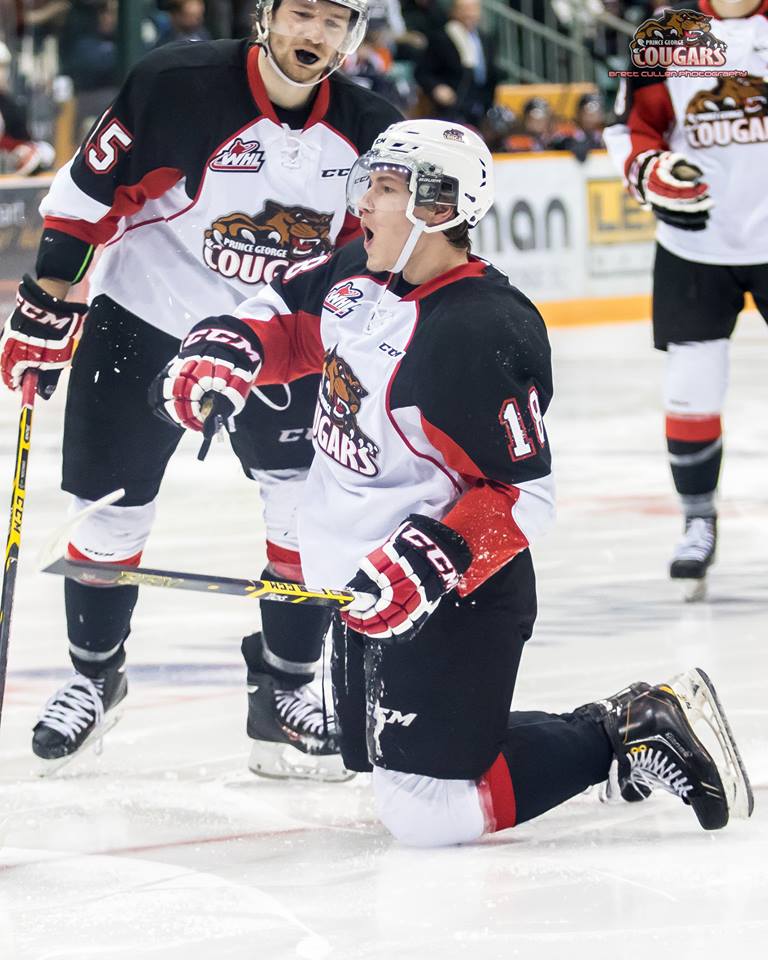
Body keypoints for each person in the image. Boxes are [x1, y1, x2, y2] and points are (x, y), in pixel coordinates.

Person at [151, 118, 753, 845]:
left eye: (383, 188)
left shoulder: (477, 332)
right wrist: (232, 351)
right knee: (385, 764)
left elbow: (523, 496)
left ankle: (628, 730)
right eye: (367, 183)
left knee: (428, 814)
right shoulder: (361, 275)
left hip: (455, 594)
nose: (362, 205)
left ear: (437, 206)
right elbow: (291, 320)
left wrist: (432, 560)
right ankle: (595, 741)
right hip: (365, 582)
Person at [0, 0, 401, 778]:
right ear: (266, 15)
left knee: (298, 504)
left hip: (273, 333)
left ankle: (282, 693)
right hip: (147, 313)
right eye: (300, 13)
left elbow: (368, 252)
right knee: (109, 511)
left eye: (333, 21)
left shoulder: (371, 127)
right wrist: (50, 298)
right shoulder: (174, 84)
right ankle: (93, 676)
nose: (313, 35)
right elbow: (87, 198)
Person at [604, 0, 768, 597]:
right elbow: (630, 127)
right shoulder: (665, 36)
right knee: (691, 388)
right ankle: (698, 518)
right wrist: (648, 169)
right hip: (694, 241)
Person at [414, 0, 500, 126]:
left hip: (482, 104)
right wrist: (436, 87)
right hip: (454, 106)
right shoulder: (441, 38)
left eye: (473, 9)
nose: (469, 14)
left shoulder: (486, 39)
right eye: (464, 9)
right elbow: (422, 72)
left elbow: (491, 73)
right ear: (454, 12)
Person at [550, 91, 605, 162]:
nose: (591, 116)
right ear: (579, 112)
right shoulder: (567, 134)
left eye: (595, 113)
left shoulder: (604, 135)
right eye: (587, 112)